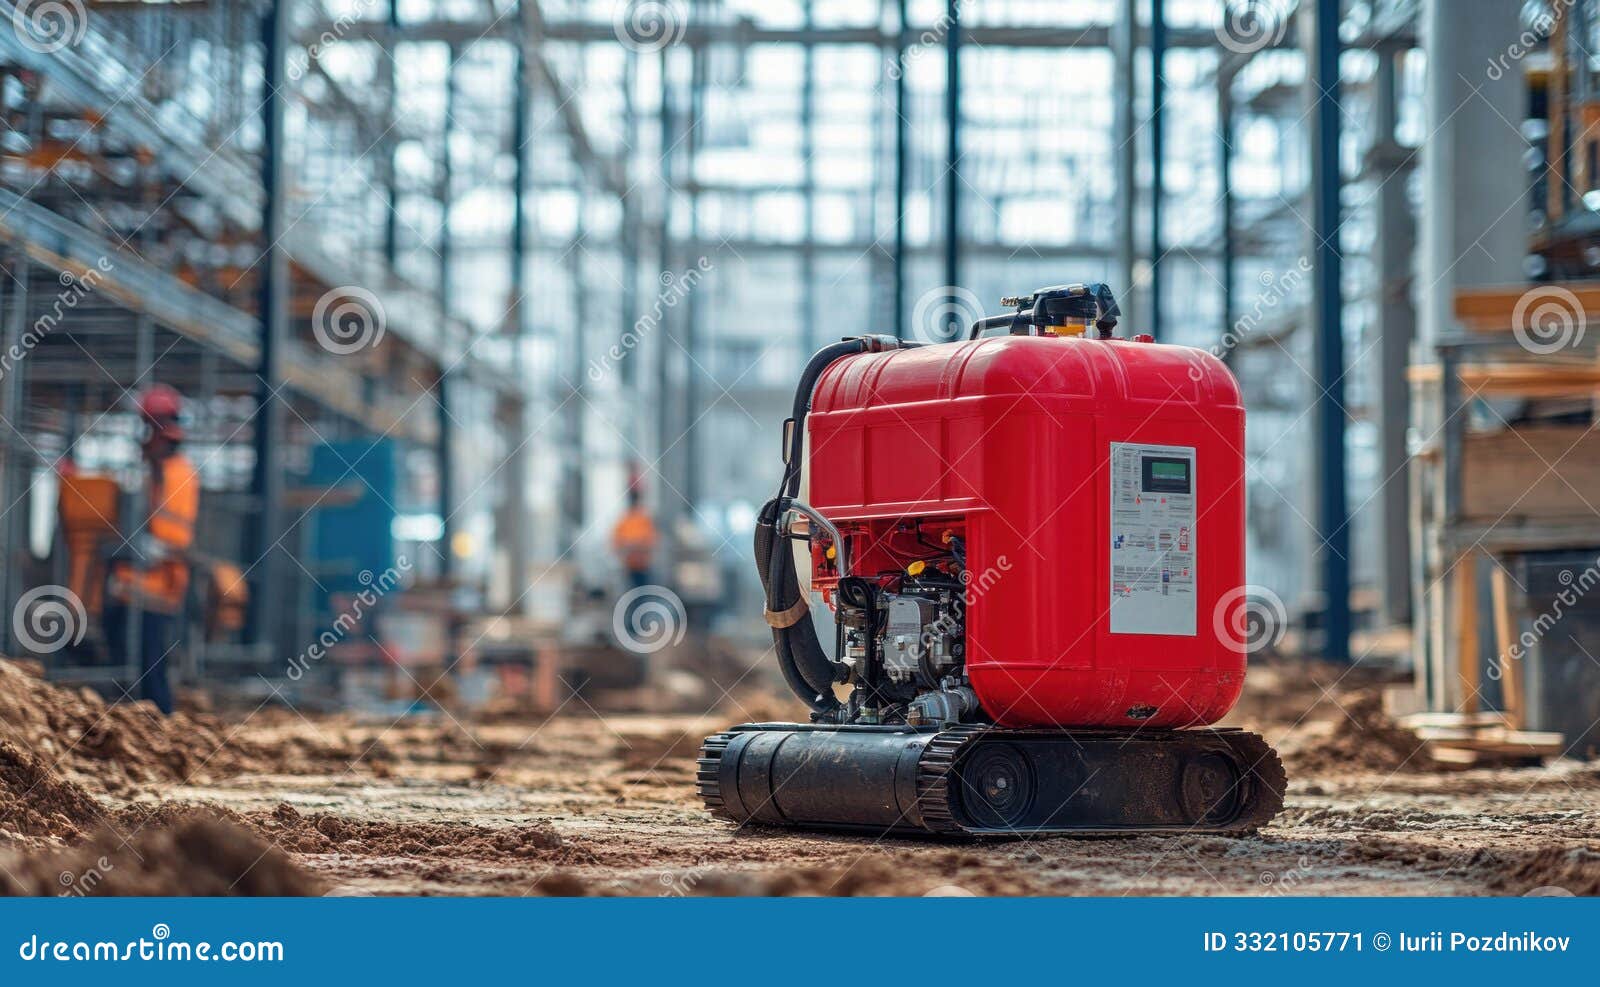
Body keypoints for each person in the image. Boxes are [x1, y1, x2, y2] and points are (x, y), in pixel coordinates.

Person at [106, 385, 199, 714]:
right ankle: (140, 713)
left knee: (150, 660)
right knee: (125, 643)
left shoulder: (176, 473)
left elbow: (171, 534)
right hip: (140, 584)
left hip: (159, 584)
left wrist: (147, 547)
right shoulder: (156, 471)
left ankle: (160, 719)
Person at [609, 488, 659, 589]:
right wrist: (633, 546)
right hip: (628, 567)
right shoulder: (624, 521)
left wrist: (633, 545)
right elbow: (616, 544)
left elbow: (652, 542)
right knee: (631, 595)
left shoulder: (644, 520)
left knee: (644, 594)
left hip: (644, 566)